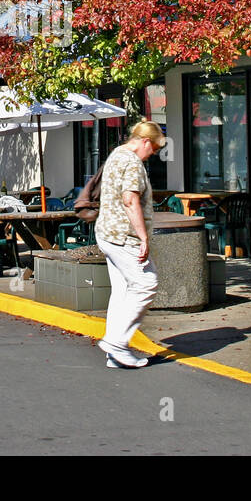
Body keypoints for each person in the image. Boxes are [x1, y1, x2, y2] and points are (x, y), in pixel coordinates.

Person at [94, 121, 165, 370]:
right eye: (154, 149)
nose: (153, 154)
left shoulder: (116, 154)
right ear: (145, 142)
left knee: (122, 290)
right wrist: (143, 237)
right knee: (146, 283)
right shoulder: (134, 163)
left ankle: (115, 353)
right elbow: (130, 199)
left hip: (106, 232)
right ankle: (117, 343)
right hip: (124, 236)